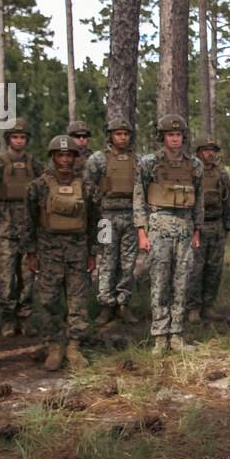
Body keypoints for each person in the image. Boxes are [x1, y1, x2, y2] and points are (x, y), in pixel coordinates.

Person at [26, 136, 98, 372]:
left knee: (78, 302)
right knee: (48, 301)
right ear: (53, 157)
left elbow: (96, 221)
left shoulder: (87, 187)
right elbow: (29, 221)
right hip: (49, 252)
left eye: (69, 155)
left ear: (75, 158)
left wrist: (93, 252)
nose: (65, 159)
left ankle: (74, 346)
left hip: (78, 251)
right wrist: (31, 252)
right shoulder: (38, 186)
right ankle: (54, 346)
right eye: (60, 155)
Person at [133, 115, 203, 354]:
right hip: (158, 227)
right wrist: (142, 231)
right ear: (162, 137)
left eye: (178, 135)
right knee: (160, 282)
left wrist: (196, 230)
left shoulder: (194, 165)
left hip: (184, 228)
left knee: (181, 283)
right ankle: (160, 336)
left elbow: (199, 199)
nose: (175, 139)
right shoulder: (148, 163)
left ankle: (177, 335)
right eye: (170, 135)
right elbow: (139, 196)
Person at [83, 116, 141, 326]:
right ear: (110, 136)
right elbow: (87, 185)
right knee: (107, 261)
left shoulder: (138, 160)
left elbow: (144, 187)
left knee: (128, 263)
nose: (122, 138)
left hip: (131, 217)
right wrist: (100, 202)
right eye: (118, 134)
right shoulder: (98, 159)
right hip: (105, 219)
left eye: (126, 134)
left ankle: (124, 304)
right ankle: (106, 305)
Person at [0, 120, 44, 336]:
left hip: (29, 231)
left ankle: (26, 318)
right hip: (5, 231)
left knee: (28, 279)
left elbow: (44, 195)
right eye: (15, 137)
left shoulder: (35, 164)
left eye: (22, 137)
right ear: (8, 140)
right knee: (6, 279)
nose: (19, 141)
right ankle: (7, 319)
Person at [186, 134, 230, 323]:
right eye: (206, 150)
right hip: (197, 227)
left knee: (214, 269)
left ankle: (209, 305)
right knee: (195, 269)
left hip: (216, 226)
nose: (210, 154)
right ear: (198, 152)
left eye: (213, 151)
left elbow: (227, 202)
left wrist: (227, 226)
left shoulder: (221, 175)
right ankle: (193, 307)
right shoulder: (191, 172)